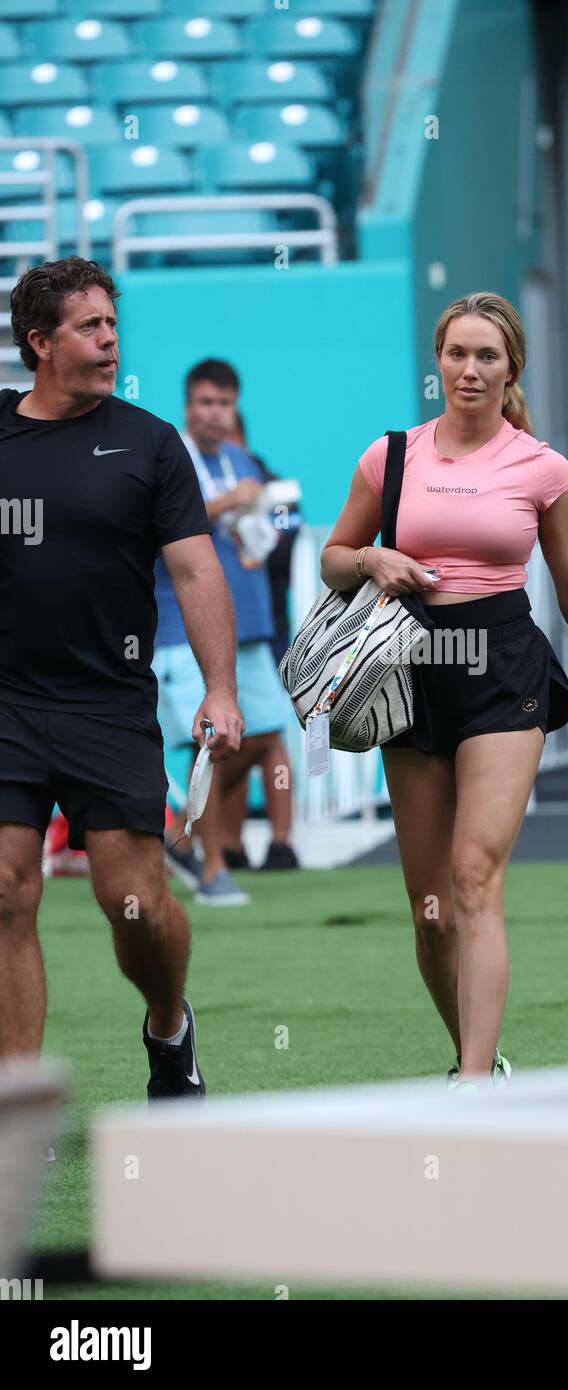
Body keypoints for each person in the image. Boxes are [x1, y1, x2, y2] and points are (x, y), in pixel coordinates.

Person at [320, 291, 568, 1092]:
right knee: (429, 907)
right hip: (405, 667)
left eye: (486, 356)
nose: (468, 370)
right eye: (456, 353)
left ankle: (474, 1086)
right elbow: (336, 554)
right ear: (437, 361)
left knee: (474, 876)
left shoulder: (542, 467)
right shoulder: (391, 456)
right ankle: (476, 1055)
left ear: (511, 369)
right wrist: (373, 560)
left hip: (504, 667)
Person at [0, 256, 245, 1099]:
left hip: (108, 703)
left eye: (112, 325)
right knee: (5, 888)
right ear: (39, 342)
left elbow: (193, 571)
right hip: (7, 703)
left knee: (132, 899)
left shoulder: (148, 442)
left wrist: (220, 688)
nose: (110, 341)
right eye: (89, 327)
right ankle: (16, 1102)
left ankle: (169, 1024)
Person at [154, 360, 295, 899]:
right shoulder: (169, 458)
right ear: (189, 407)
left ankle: (184, 838)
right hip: (182, 626)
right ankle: (211, 867)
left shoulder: (240, 458)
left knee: (260, 736)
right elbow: (156, 529)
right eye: (206, 403)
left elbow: (273, 527)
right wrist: (224, 505)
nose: (215, 413)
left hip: (250, 624)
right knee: (208, 742)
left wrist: (263, 531)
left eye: (225, 404)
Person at [218, 410, 300, 871]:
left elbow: (283, 541)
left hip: (266, 629)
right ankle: (228, 844)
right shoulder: (195, 487)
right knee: (231, 734)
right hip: (213, 631)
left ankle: (282, 842)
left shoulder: (275, 487)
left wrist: (249, 519)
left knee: (268, 735)